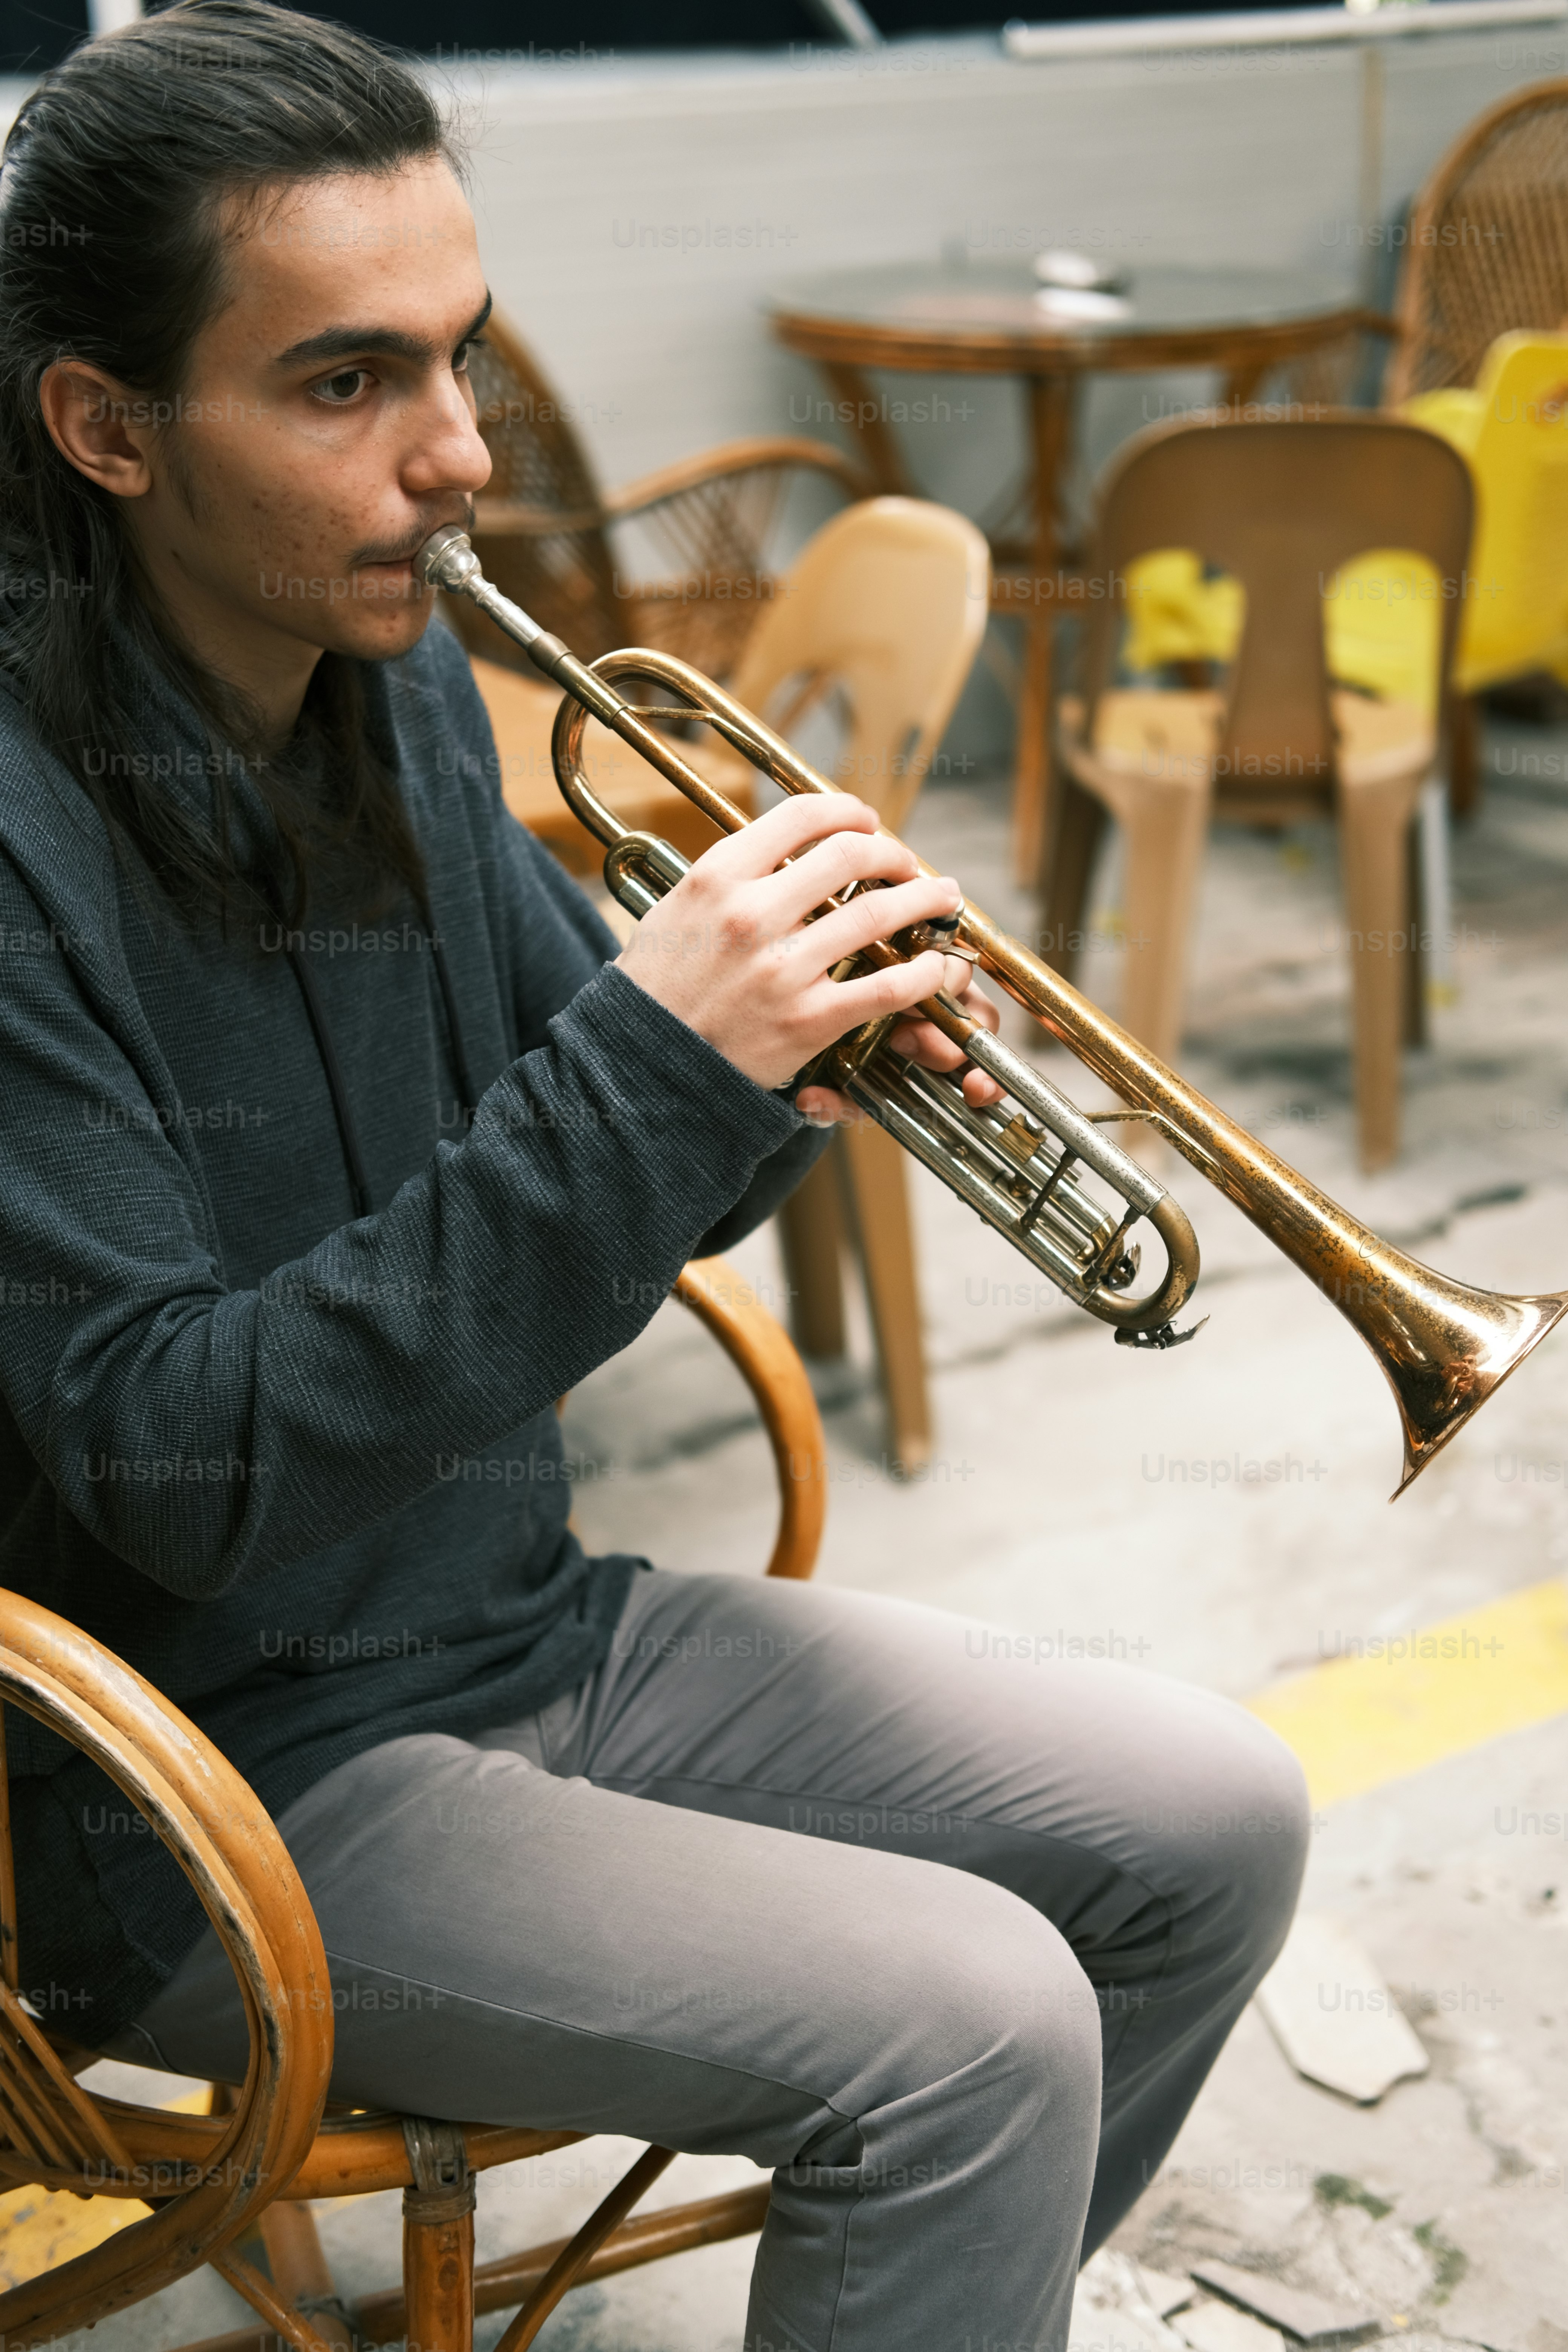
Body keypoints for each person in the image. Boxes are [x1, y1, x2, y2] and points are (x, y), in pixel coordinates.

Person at [0, 8, 1308, 2346]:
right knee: (974, 2027)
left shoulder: (384, 676)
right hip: (208, 1794)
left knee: (1213, 1823)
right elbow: (180, 1461)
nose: (460, 458)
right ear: (104, 428)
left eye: (466, 358)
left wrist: (798, 1063)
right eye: (346, 384)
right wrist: (646, 1058)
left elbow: (623, 1182)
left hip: (521, 1621)